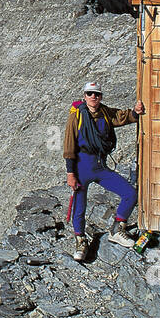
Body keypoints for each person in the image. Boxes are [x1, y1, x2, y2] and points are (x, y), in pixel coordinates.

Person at [62, 82, 145, 261]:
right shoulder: (76, 116)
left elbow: (123, 117)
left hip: (100, 166)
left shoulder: (105, 113)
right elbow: (69, 144)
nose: (93, 97)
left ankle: (117, 228)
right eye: (90, 94)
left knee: (130, 193)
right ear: (84, 96)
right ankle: (80, 240)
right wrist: (70, 173)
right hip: (81, 167)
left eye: (97, 94)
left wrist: (136, 111)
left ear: (101, 97)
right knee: (80, 207)